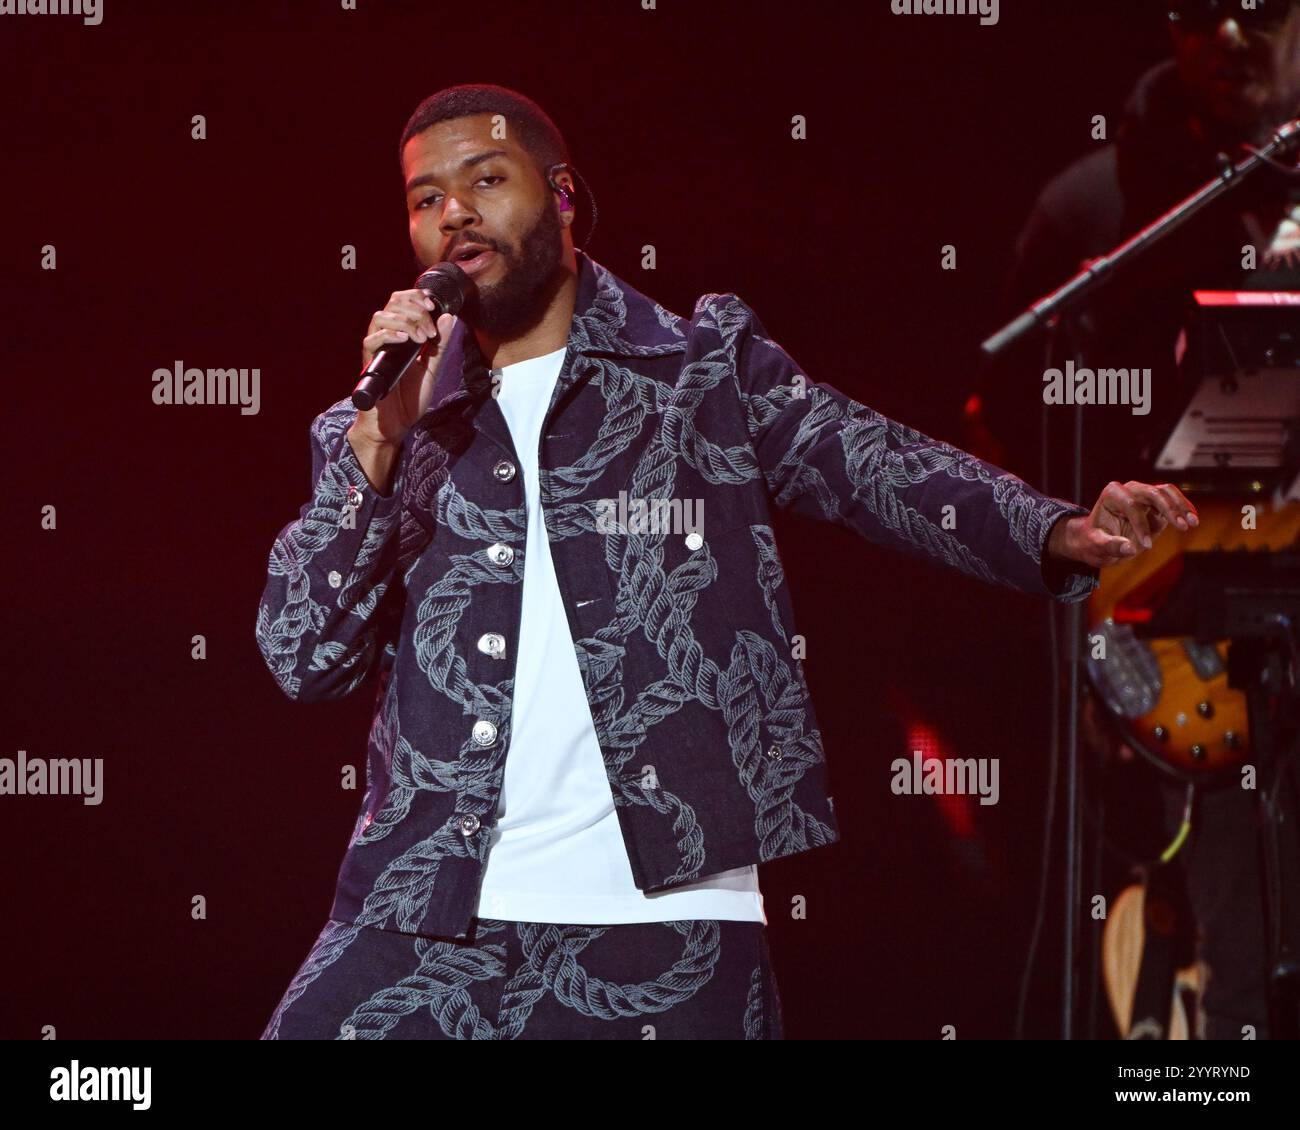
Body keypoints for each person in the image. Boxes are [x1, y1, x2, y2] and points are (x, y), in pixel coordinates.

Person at [255, 83, 1196, 1040]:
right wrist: (374, 443)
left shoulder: (698, 369)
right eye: (425, 198)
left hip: (658, 925)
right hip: (422, 914)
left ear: (565, 196)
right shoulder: (387, 423)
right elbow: (302, 657)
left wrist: (1054, 529)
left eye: (486, 179)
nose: (454, 212)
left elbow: (871, 467)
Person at [970, 0, 1300, 1039]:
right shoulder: (1094, 211)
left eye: (1259, 7)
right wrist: (1091, 603)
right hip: (1179, 645)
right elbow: (1001, 427)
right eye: (1201, 12)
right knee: (1222, 949)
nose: (1230, 36)